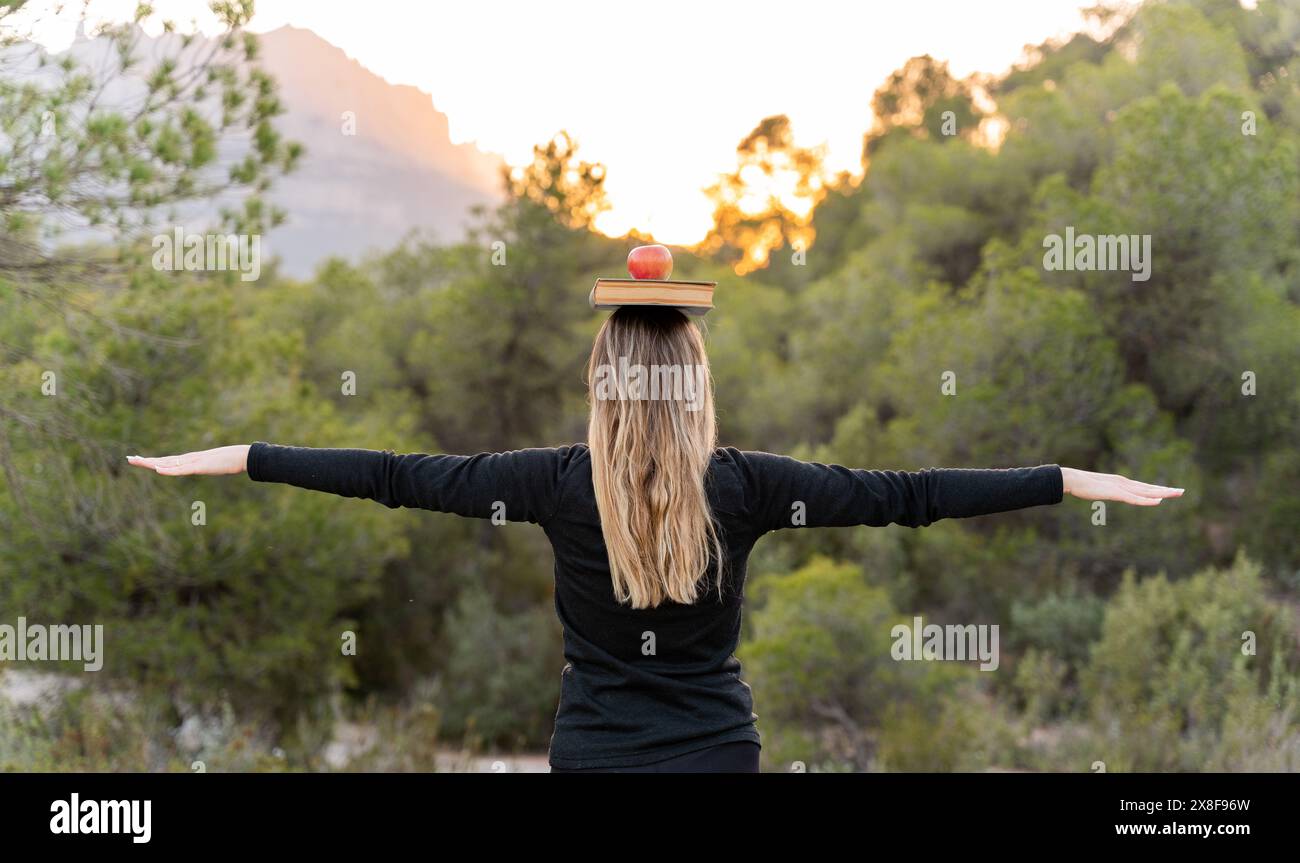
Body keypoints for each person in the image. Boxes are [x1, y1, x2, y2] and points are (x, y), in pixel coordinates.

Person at [127, 306, 1183, 772]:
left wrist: (240, 454)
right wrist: (1072, 478)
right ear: (697, 388)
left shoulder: (546, 482)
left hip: (594, 751)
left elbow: (395, 477)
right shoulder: (752, 486)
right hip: (718, 751)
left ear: (601, 384)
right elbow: (909, 493)